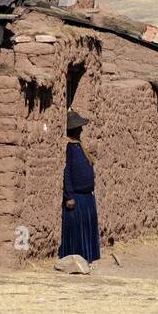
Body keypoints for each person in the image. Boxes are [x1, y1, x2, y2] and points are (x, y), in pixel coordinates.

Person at [58, 109, 100, 264]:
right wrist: (69, 196)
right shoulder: (70, 148)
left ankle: (86, 258)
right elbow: (67, 172)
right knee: (76, 230)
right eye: (79, 127)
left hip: (86, 196)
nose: (81, 129)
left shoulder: (78, 146)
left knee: (86, 230)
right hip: (76, 197)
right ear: (74, 129)